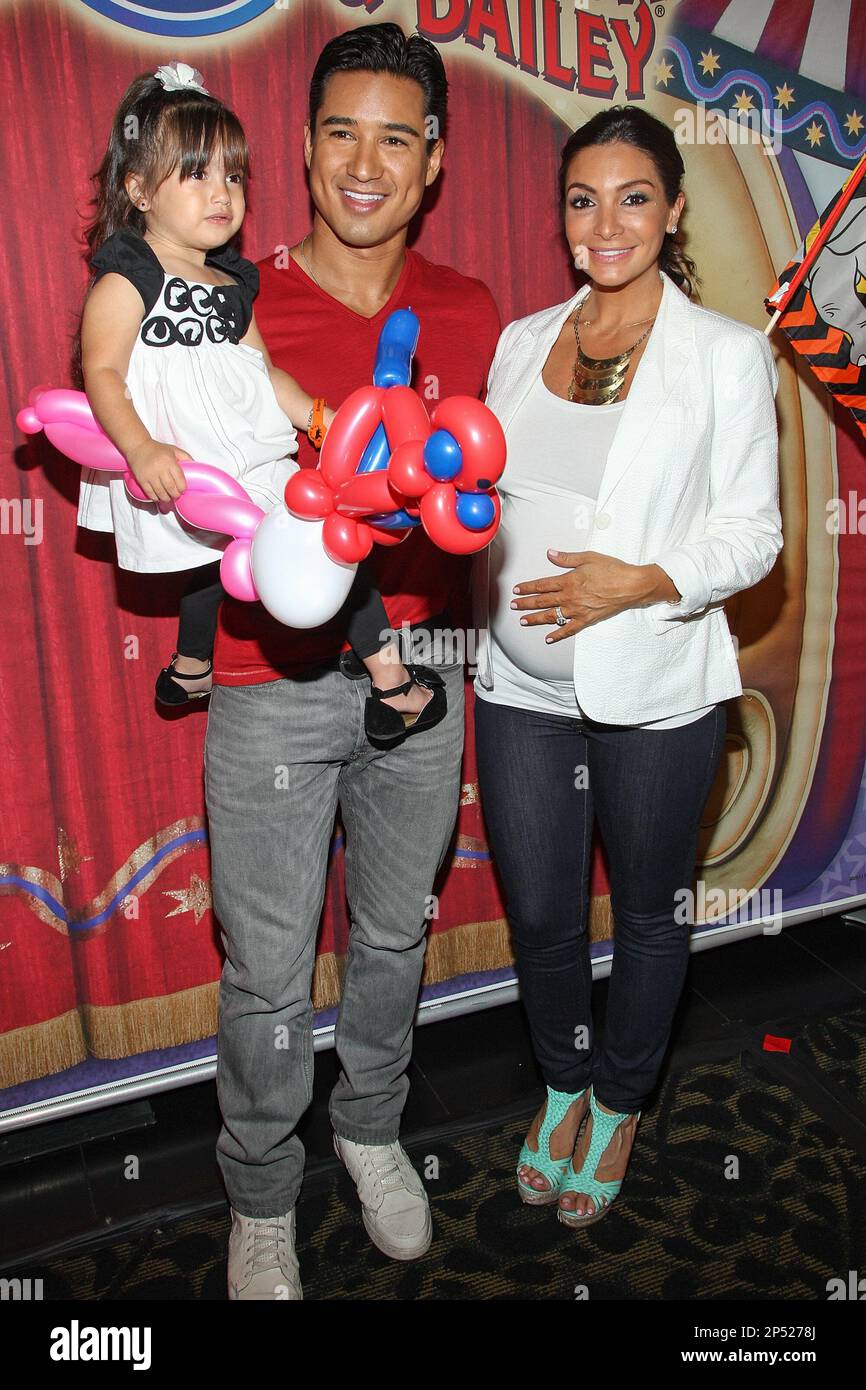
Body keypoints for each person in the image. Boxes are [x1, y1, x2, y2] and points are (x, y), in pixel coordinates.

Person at [204, 24, 500, 1298]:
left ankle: (370, 1130)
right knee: (266, 968)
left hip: (425, 678)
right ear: (304, 148)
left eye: (395, 136)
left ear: (432, 160)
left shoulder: (471, 311)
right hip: (269, 686)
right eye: (340, 132)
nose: (364, 163)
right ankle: (259, 1195)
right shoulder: (226, 303)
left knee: (390, 937)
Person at [473, 105, 782, 1228]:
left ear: (672, 209)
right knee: (543, 916)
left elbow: (754, 535)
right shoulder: (517, 342)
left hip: (651, 691)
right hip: (517, 694)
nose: (605, 223)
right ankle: (560, 1082)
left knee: (648, 913)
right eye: (581, 198)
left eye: (632, 196)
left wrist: (637, 580)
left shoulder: (724, 355)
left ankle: (618, 1099)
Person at [76, 60, 443, 741]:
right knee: (247, 550)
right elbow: (100, 372)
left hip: (243, 449)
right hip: (181, 458)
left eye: (233, 175)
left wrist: (315, 415)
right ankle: (394, 685)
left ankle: (194, 666)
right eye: (197, 174)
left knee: (298, 547)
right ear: (139, 189)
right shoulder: (126, 277)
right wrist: (141, 447)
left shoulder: (233, 283)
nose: (223, 193)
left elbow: (263, 373)